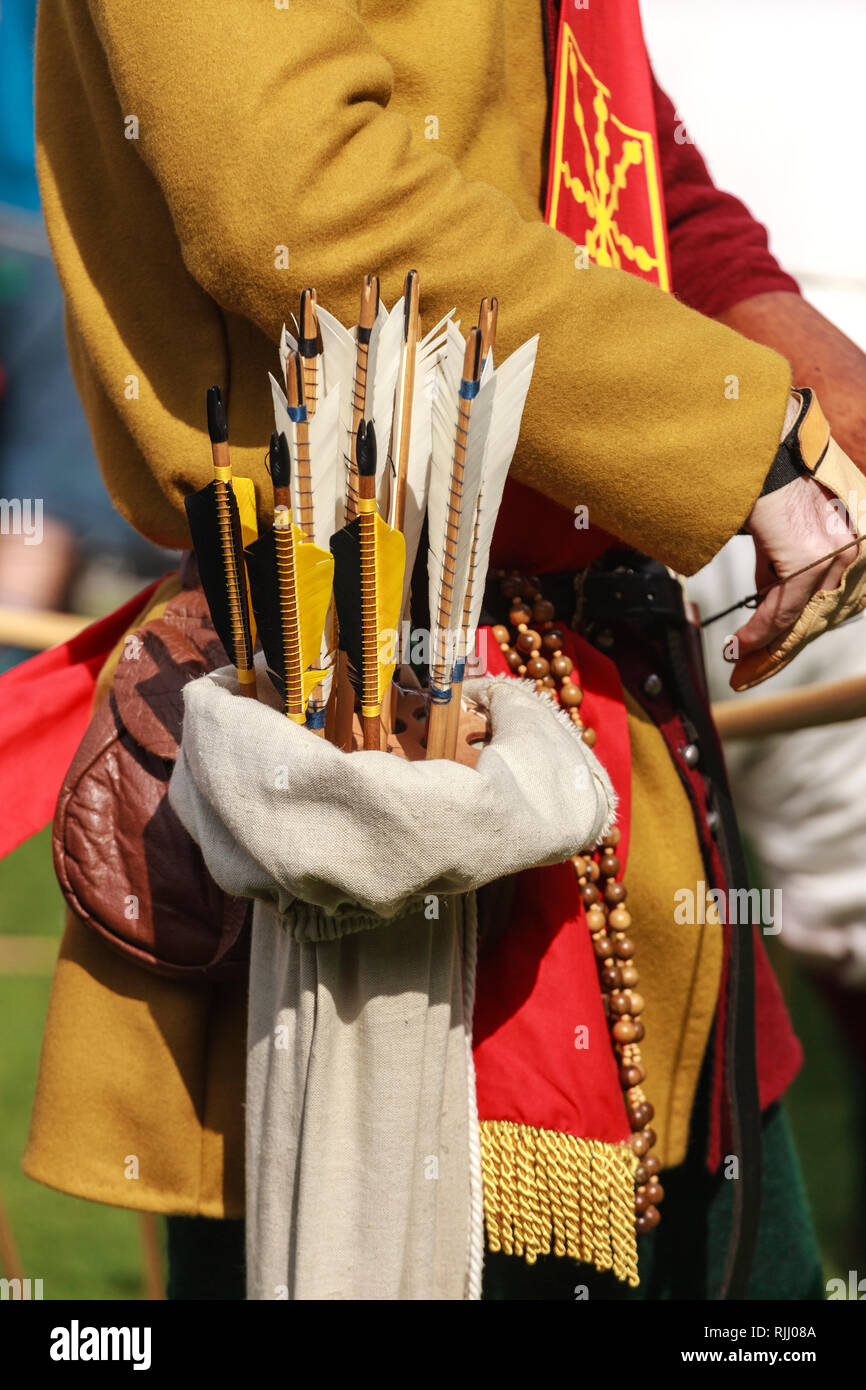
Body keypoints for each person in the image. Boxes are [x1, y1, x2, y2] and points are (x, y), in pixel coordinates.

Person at [21, 0, 864, 1299]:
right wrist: (742, 432)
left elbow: (620, 152)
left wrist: (799, 363)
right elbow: (301, 198)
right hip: (353, 718)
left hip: (626, 761)